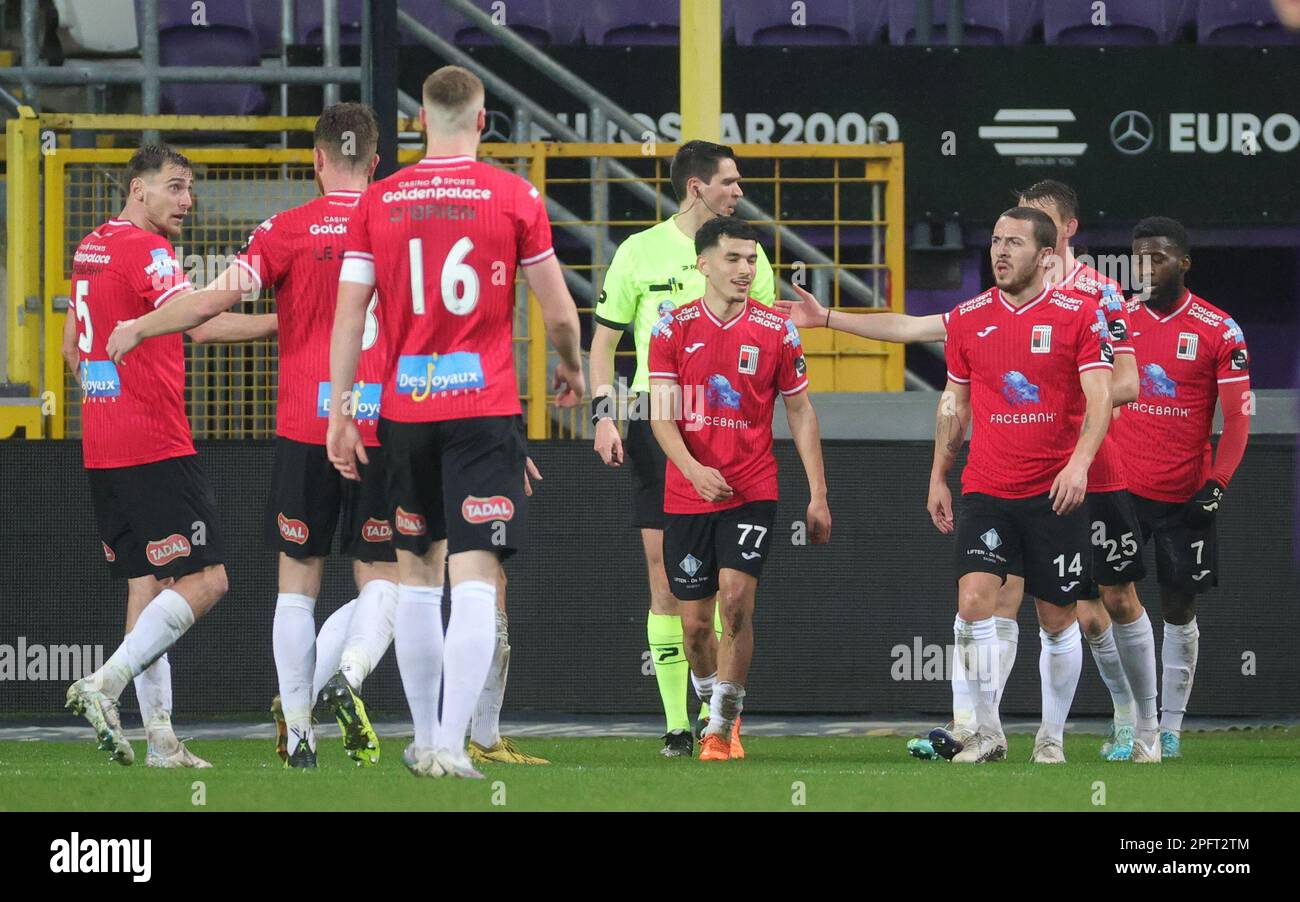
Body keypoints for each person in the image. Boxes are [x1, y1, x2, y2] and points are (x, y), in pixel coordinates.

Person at [109, 103, 400, 769]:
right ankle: (349, 676)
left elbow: (209, 305)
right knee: (386, 574)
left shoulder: (286, 230)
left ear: (317, 160)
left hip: (307, 428)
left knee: (297, 583)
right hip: (384, 424)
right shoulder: (400, 225)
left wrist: (142, 327)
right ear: (376, 162)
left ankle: (298, 732)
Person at [326, 65, 583, 779]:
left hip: (404, 410)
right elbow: (560, 312)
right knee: (475, 577)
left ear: (417, 124)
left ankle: (422, 738)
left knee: (416, 575)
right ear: (481, 120)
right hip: (483, 410)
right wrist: (573, 367)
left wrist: (345, 410)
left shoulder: (379, 199)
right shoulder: (513, 195)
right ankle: (447, 743)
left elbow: (350, 316)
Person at [64, 144, 276, 766]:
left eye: (190, 189)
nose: (187, 200)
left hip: (102, 443)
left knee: (148, 586)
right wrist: (288, 326)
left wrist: (104, 385)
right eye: (175, 187)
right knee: (208, 579)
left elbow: (71, 348)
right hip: (154, 444)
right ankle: (106, 683)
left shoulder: (91, 245)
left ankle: (160, 739)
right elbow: (202, 324)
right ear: (138, 189)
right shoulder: (148, 250)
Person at [588, 140, 776, 757]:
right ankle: (678, 722)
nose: (738, 192)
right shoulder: (639, 251)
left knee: (729, 583)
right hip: (655, 418)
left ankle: (723, 713)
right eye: (729, 182)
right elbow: (603, 344)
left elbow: (768, 341)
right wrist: (604, 415)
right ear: (696, 188)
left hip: (729, 422)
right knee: (666, 581)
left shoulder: (750, 254)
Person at [927, 206, 1119, 763]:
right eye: (994, 241)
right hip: (987, 487)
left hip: (1054, 491)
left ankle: (1051, 735)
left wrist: (1079, 464)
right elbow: (953, 404)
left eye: (1013, 242)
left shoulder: (1080, 315)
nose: (1000, 252)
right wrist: (939, 473)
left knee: (1057, 618)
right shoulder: (967, 318)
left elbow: (1102, 397)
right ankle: (985, 732)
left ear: (1046, 255)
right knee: (973, 602)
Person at [647, 216, 830, 761]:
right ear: (703, 264)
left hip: (752, 488)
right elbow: (661, 416)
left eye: (752, 259)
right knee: (696, 625)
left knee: (736, 602)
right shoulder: (670, 328)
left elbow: (799, 411)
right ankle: (712, 704)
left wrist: (817, 494)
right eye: (733, 259)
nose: (745, 269)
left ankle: (722, 728)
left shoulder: (777, 330)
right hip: (688, 493)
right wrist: (693, 470)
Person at [1112, 216, 1251, 759]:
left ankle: (1170, 727)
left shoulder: (1221, 329)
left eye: (1158, 258)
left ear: (1184, 263)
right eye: (1138, 257)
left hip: (1184, 494)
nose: (1145, 268)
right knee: (1113, 602)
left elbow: (1237, 419)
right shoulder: (1117, 321)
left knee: (1179, 608)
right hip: (1120, 487)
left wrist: (1217, 484)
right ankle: (1133, 721)